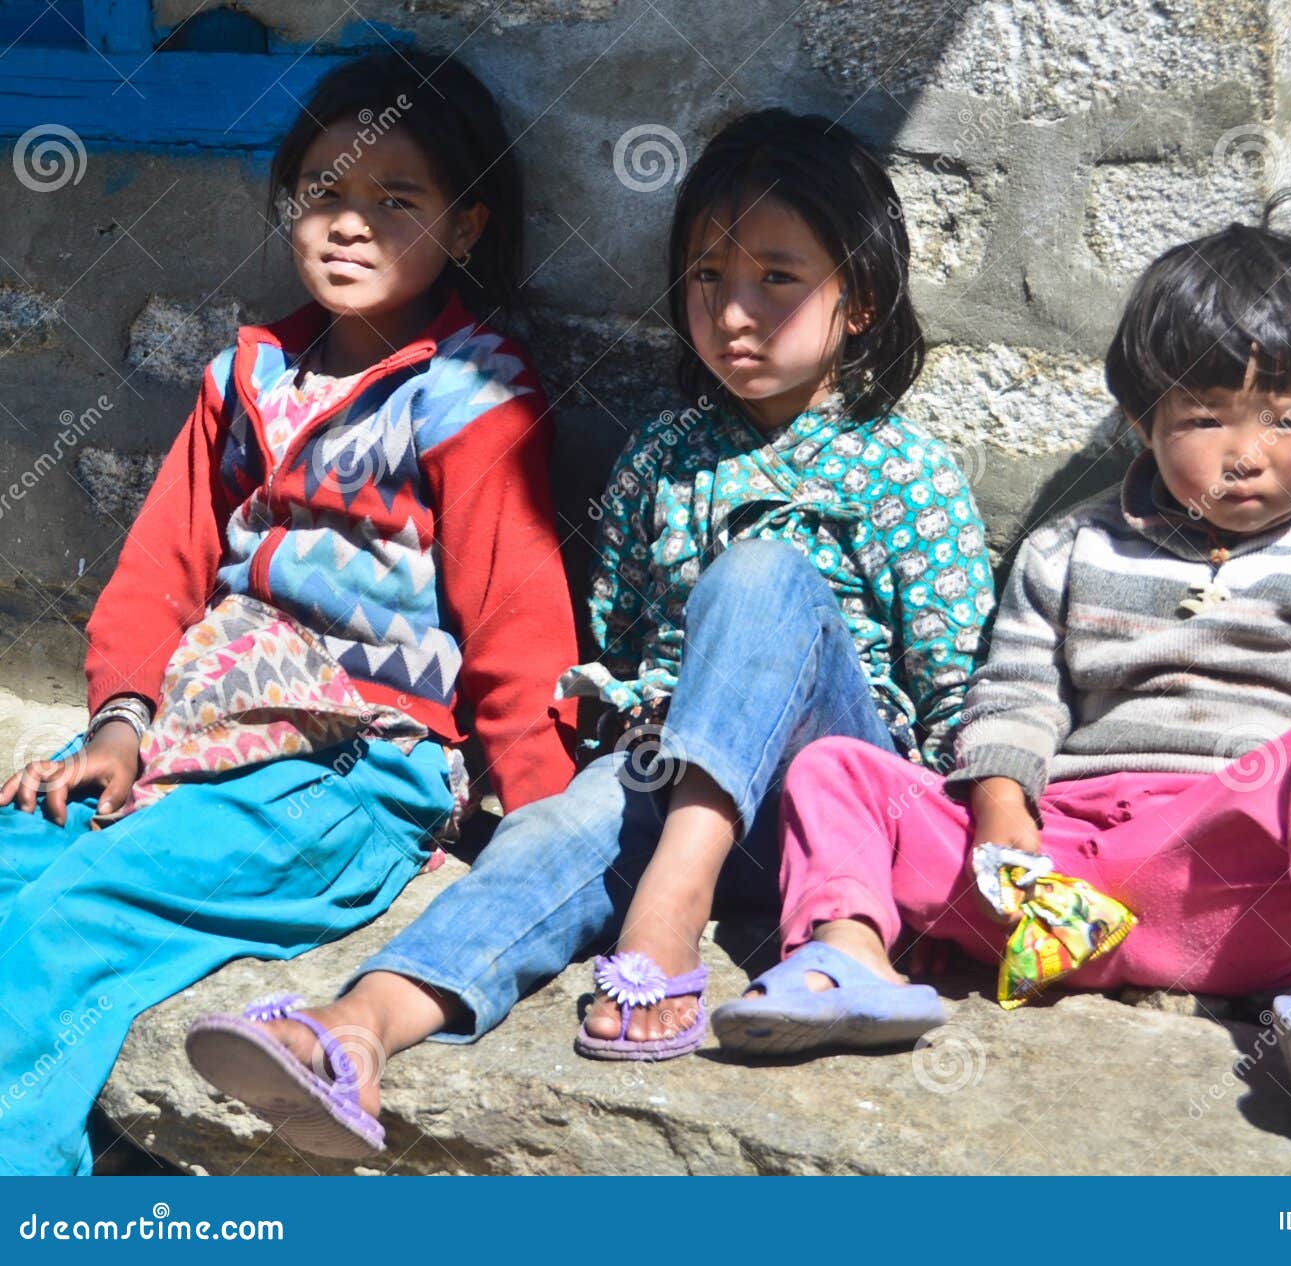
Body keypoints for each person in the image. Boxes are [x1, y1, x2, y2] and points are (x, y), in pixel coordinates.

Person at [185, 109, 994, 1157]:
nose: (734, 313)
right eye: (707, 277)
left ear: (863, 304)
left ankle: (668, 906)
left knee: (761, 575)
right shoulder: (666, 452)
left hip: (836, 803)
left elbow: (953, 690)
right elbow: (616, 640)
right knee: (552, 832)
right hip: (678, 766)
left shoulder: (902, 473)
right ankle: (356, 1032)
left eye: (778, 279)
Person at [713, 191, 1291, 1145]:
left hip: (1236, 885)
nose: (1245, 455)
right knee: (838, 767)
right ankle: (849, 965)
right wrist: (1006, 828)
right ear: (1142, 420)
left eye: (1289, 418)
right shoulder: (1070, 551)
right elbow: (1013, 698)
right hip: (1060, 885)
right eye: (1205, 418)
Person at [0, 50, 578, 1175]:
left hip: (349, 779)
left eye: (395, 201)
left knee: (70, 929)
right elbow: (158, 576)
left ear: (465, 229)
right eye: (324, 194)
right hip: (192, 733)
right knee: (21, 852)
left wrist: (536, 835)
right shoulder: (245, 380)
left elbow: (520, 625)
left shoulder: (471, 400)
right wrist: (119, 723)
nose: (350, 225)